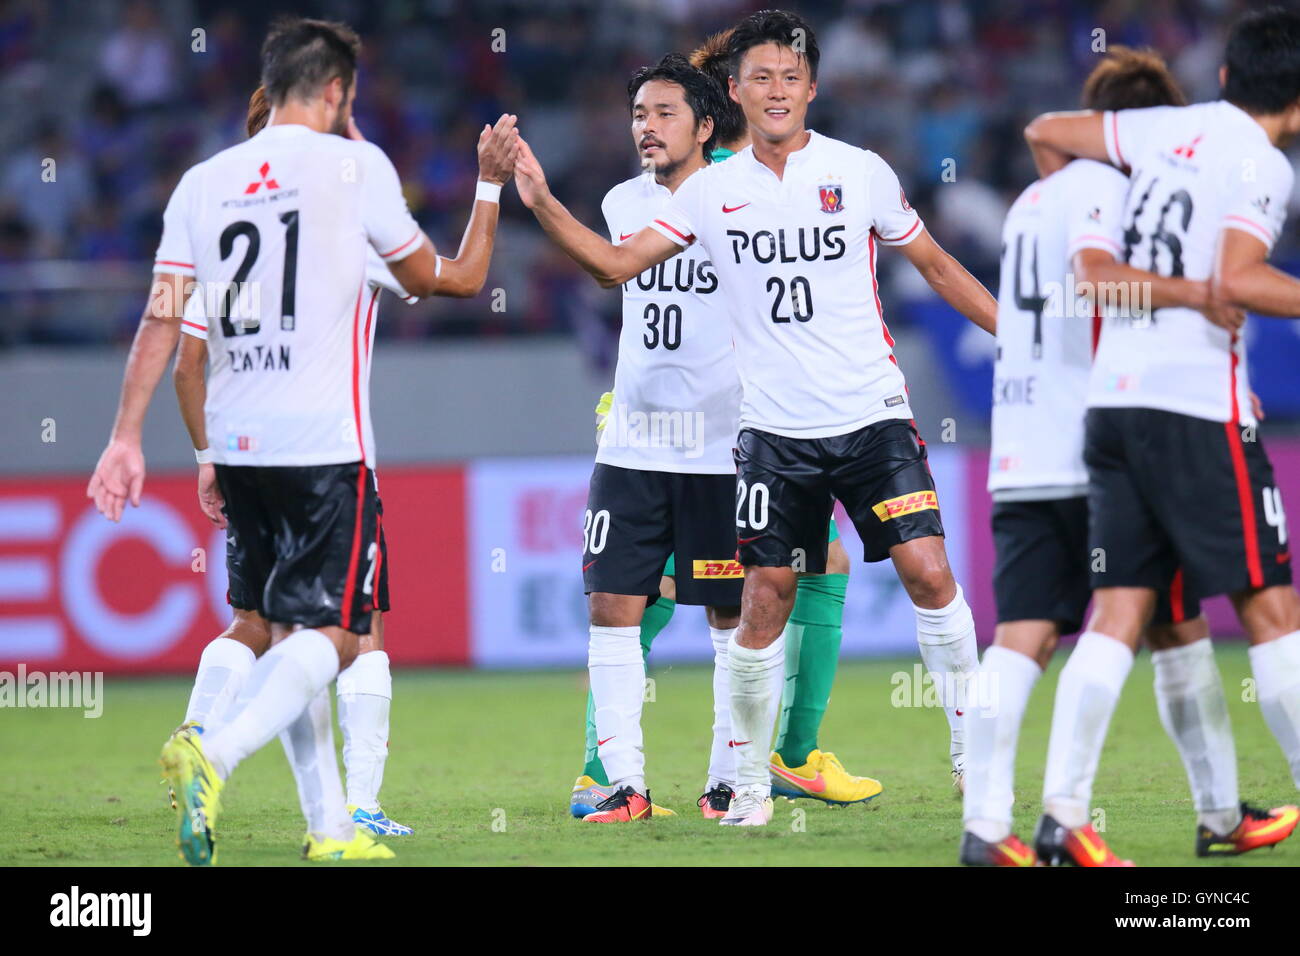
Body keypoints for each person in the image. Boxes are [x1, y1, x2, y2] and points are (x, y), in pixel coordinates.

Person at [516, 9, 995, 827]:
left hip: (873, 415)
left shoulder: (861, 170)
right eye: (760, 78)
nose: (777, 90)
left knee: (929, 571)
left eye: (790, 76)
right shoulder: (709, 191)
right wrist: (535, 196)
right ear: (737, 93)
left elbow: (939, 266)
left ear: (812, 86)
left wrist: (1015, 338)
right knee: (760, 599)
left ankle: (972, 757)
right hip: (770, 437)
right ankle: (744, 782)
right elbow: (615, 266)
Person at [87, 16, 518, 863]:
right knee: (341, 640)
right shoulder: (355, 173)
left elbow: (163, 324)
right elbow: (457, 279)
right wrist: (491, 186)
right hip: (324, 448)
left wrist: (123, 437)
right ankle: (213, 750)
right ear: (335, 92)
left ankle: (328, 832)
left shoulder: (203, 183)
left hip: (240, 449)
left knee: (278, 633)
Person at [961, 47, 1289, 867]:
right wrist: (1202, 295)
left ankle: (1001, 825)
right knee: (1205, 621)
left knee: (1056, 631)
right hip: (1117, 430)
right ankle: (1191, 815)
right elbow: (1103, 281)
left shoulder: (1031, 201)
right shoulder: (1117, 188)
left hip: (1036, 439)